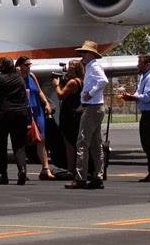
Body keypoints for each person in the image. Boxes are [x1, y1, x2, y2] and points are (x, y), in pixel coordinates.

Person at [65, 40, 108, 190]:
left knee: (82, 143)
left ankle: (80, 177)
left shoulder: (94, 66)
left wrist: (90, 93)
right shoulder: (91, 66)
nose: (82, 55)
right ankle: (98, 176)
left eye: (84, 52)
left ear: (91, 54)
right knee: (96, 145)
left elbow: (103, 80)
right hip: (95, 107)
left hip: (92, 108)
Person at [120, 54, 150, 182]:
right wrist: (131, 96)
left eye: (140, 63)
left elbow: (146, 97)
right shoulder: (144, 76)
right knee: (146, 144)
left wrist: (132, 97)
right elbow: (139, 92)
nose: (137, 65)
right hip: (146, 113)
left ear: (148, 65)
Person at [0, 56, 30, 185]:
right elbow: (25, 93)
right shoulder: (19, 78)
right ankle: (22, 169)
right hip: (20, 113)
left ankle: (3, 174)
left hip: (3, 113)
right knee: (19, 144)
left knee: (1, 144)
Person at [16, 55, 56, 181]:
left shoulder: (32, 76)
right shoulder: (16, 79)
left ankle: (46, 169)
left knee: (41, 139)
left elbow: (39, 91)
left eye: (30, 65)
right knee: (21, 141)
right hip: (24, 112)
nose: (29, 67)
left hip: (36, 111)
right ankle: (22, 170)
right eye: (26, 65)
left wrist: (46, 103)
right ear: (20, 66)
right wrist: (17, 75)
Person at [52, 59, 84, 179]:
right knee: (76, 142)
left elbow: (61, 95)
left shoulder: (73, 83)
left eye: (70, 66)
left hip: (69, 115)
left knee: (69, 143)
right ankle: (78, 167)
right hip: (75, 114)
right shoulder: (81, 81)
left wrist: (56, 85)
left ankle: (71, 169)